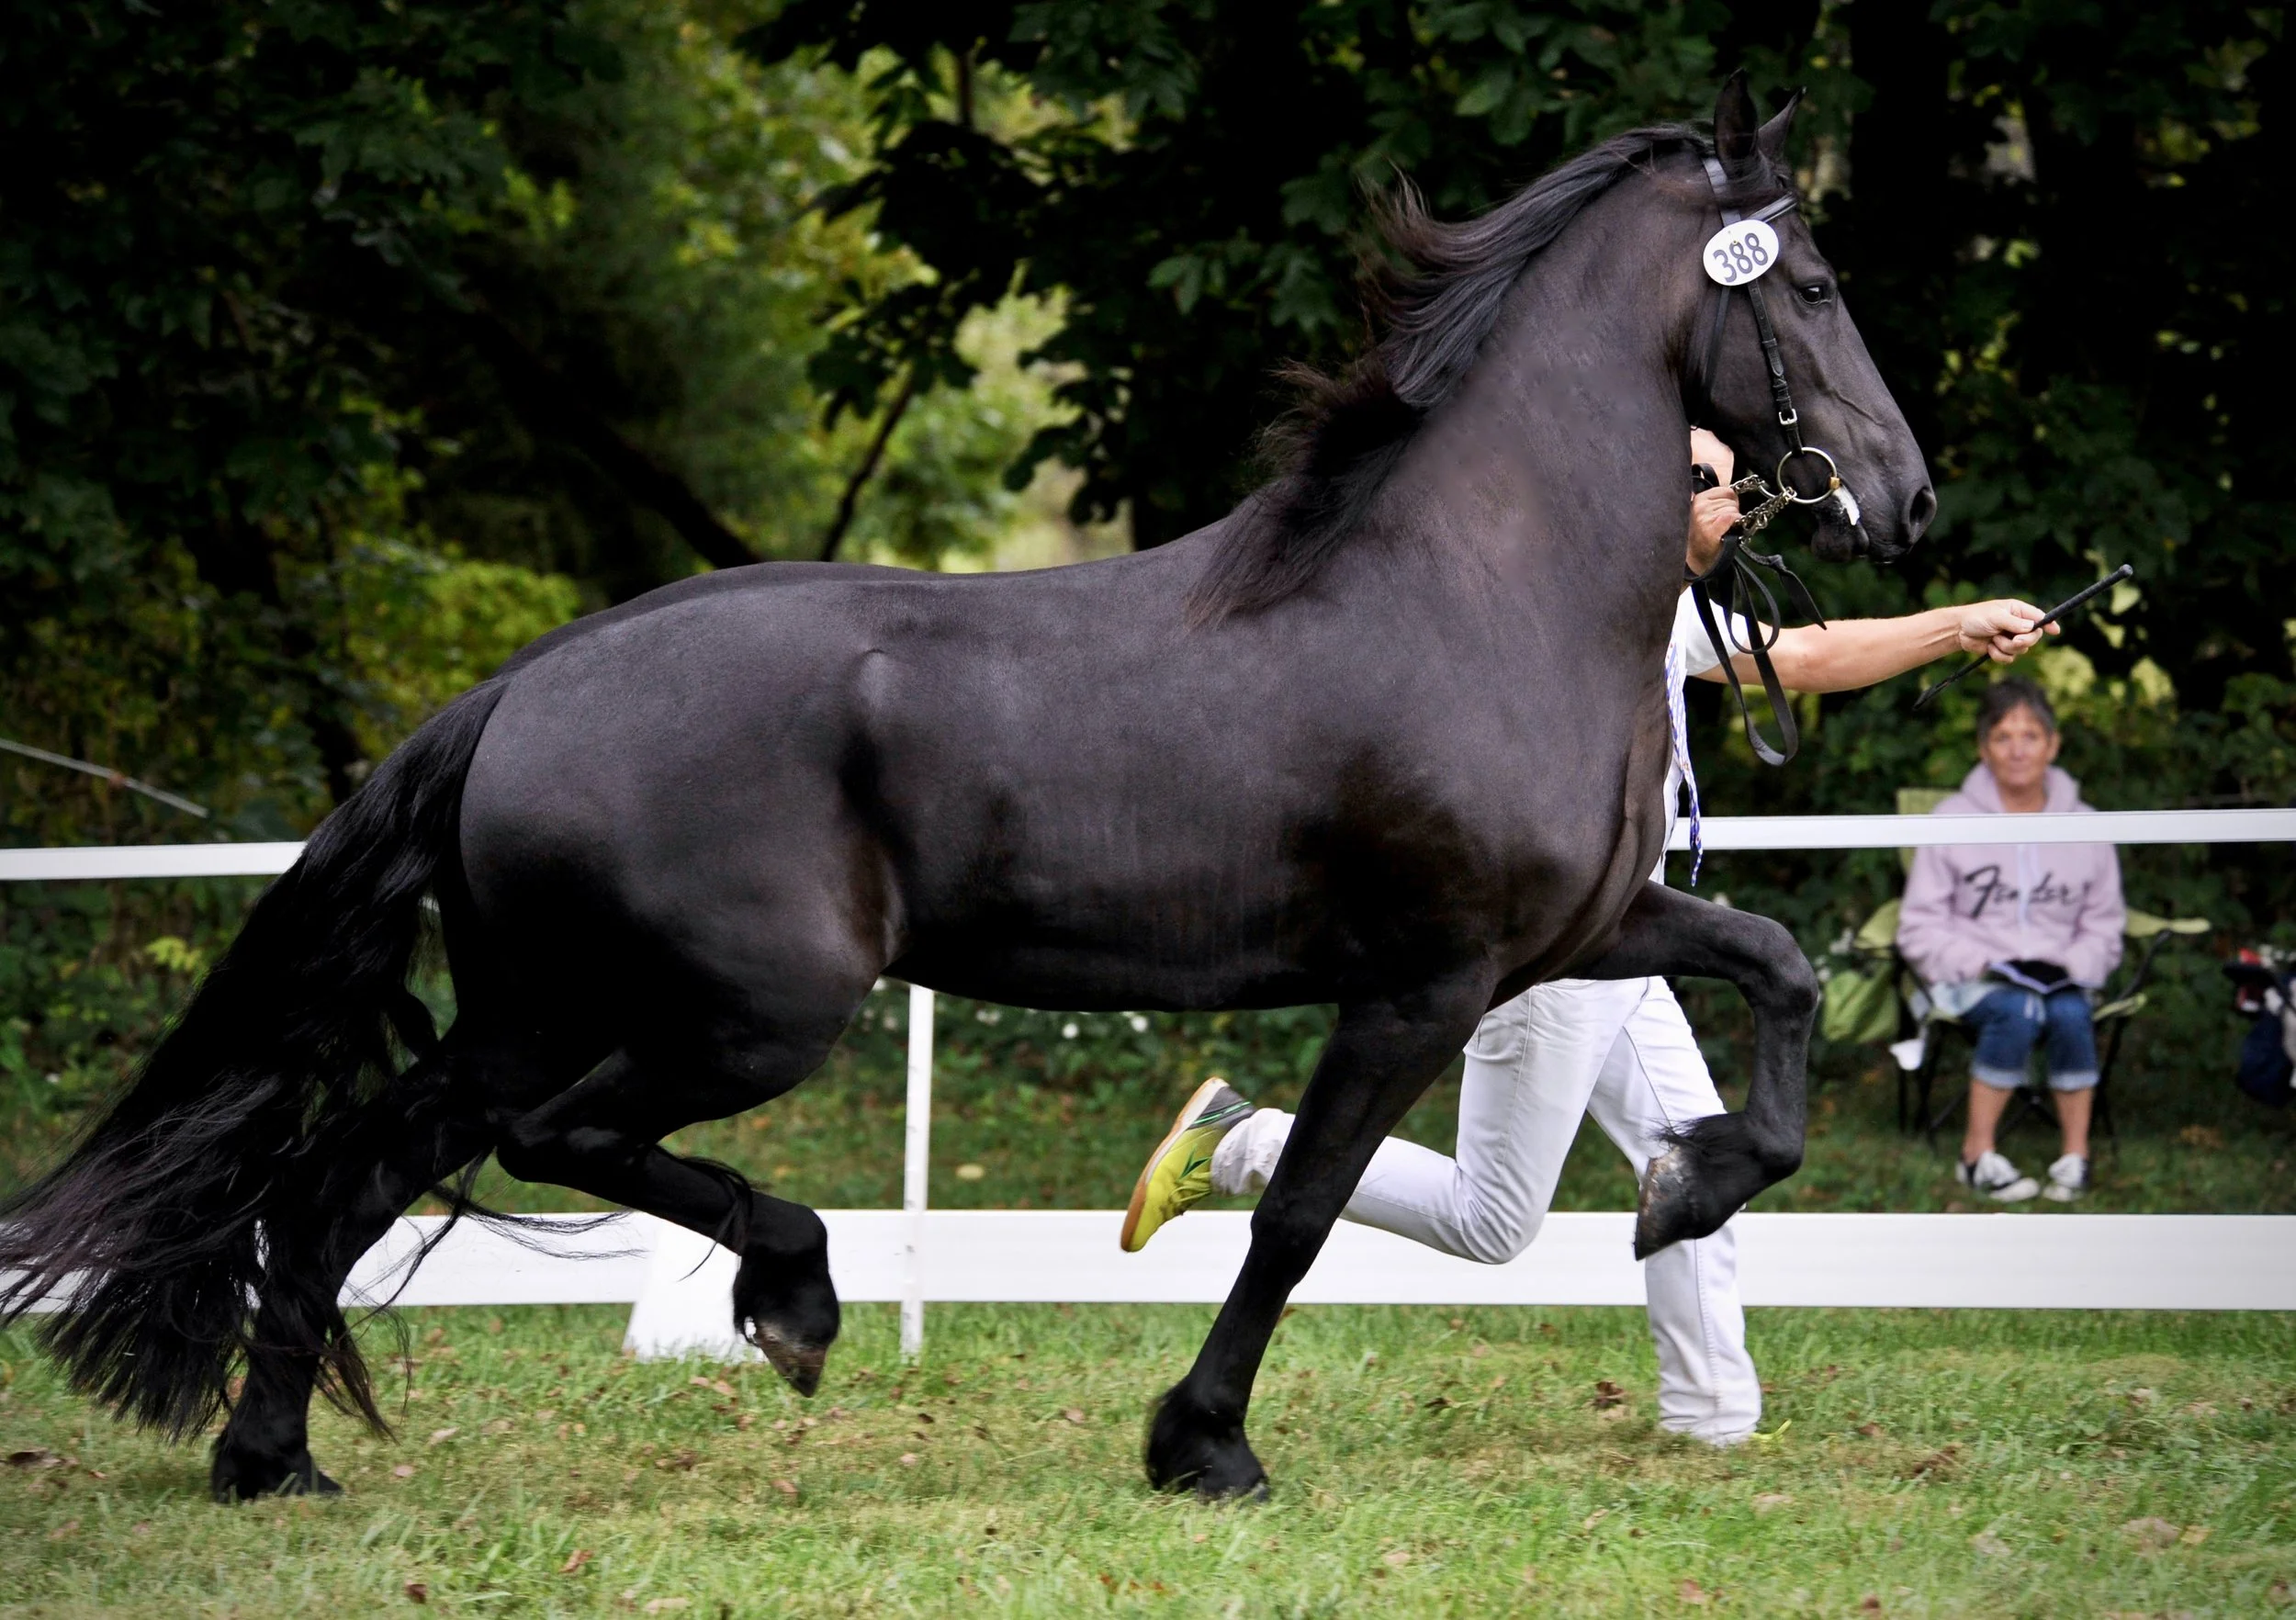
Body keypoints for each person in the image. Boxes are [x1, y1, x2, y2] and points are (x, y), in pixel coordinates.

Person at [1119, 427, 2058, 1446]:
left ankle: (1711, 1414)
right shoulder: (1567, 608)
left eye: (1726, 476)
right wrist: (1683, 555)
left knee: (1699, 1163)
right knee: (1492, 1222)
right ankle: (1247, 1142)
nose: (1728, 495)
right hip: (1559, 955)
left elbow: (1803, 656)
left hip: (1625, 940)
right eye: (1701, 478)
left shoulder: (1660, 609)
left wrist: (1956, 627)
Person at [1896, 677, 2123, 1204]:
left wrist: (2071, 964)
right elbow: (1920, 925)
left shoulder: (2086, 825)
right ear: (1983, 749)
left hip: (2063, 973)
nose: (2018, 749)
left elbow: (2104, 923)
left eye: (2031, 736)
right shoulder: (1951, 820)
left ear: (2053, 745)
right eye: (2002, 736)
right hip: (1975, 978)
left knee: (2069, 1013)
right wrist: (1989, 963)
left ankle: (2075, 1156)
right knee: (2018, 1007)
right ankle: (1976, 1156)